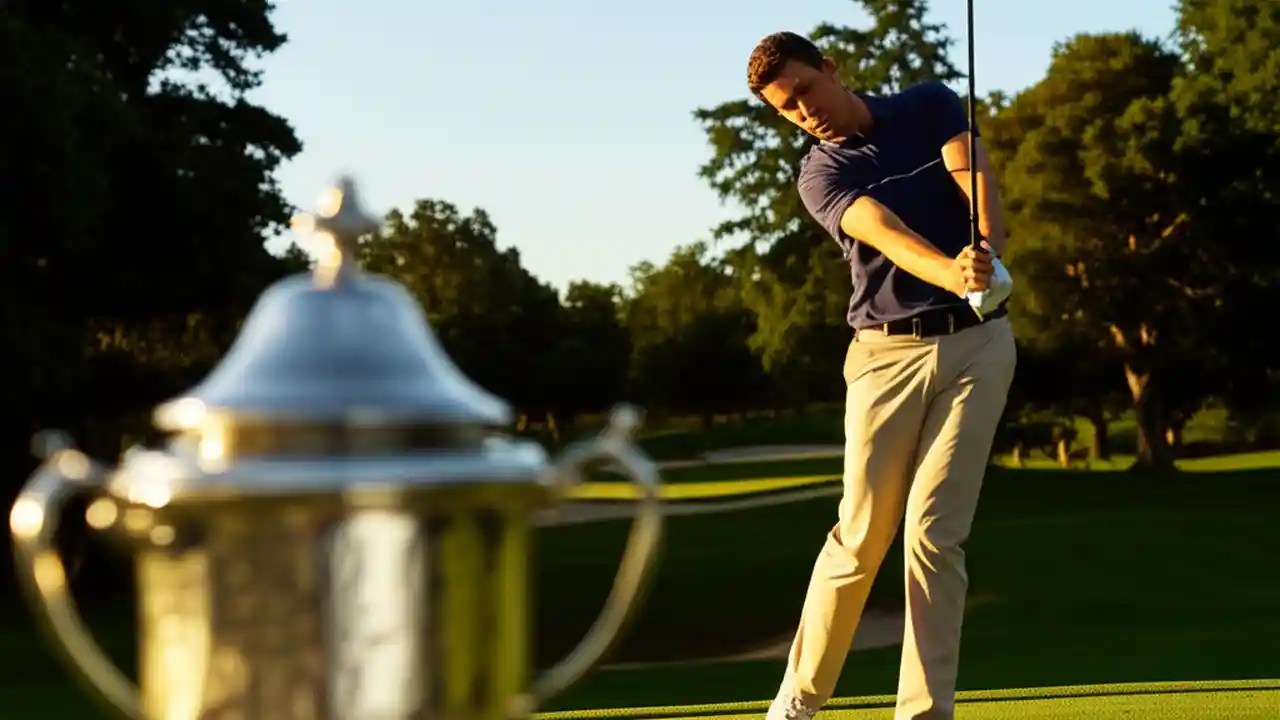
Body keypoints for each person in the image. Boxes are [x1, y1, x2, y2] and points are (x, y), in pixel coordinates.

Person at [745, 31, 1018, 720]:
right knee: (862, 534)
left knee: (934, 534)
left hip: (979, 347)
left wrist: (987, 247)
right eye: (786, 108)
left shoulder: (928, 104)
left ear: (831, 68)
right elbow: (884, 229)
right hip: (884, 356)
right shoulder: (818, 174)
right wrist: (954, 271)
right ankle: (798, 704)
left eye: (805, 90)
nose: (803, 111)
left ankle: (925, 714)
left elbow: (972, 172)